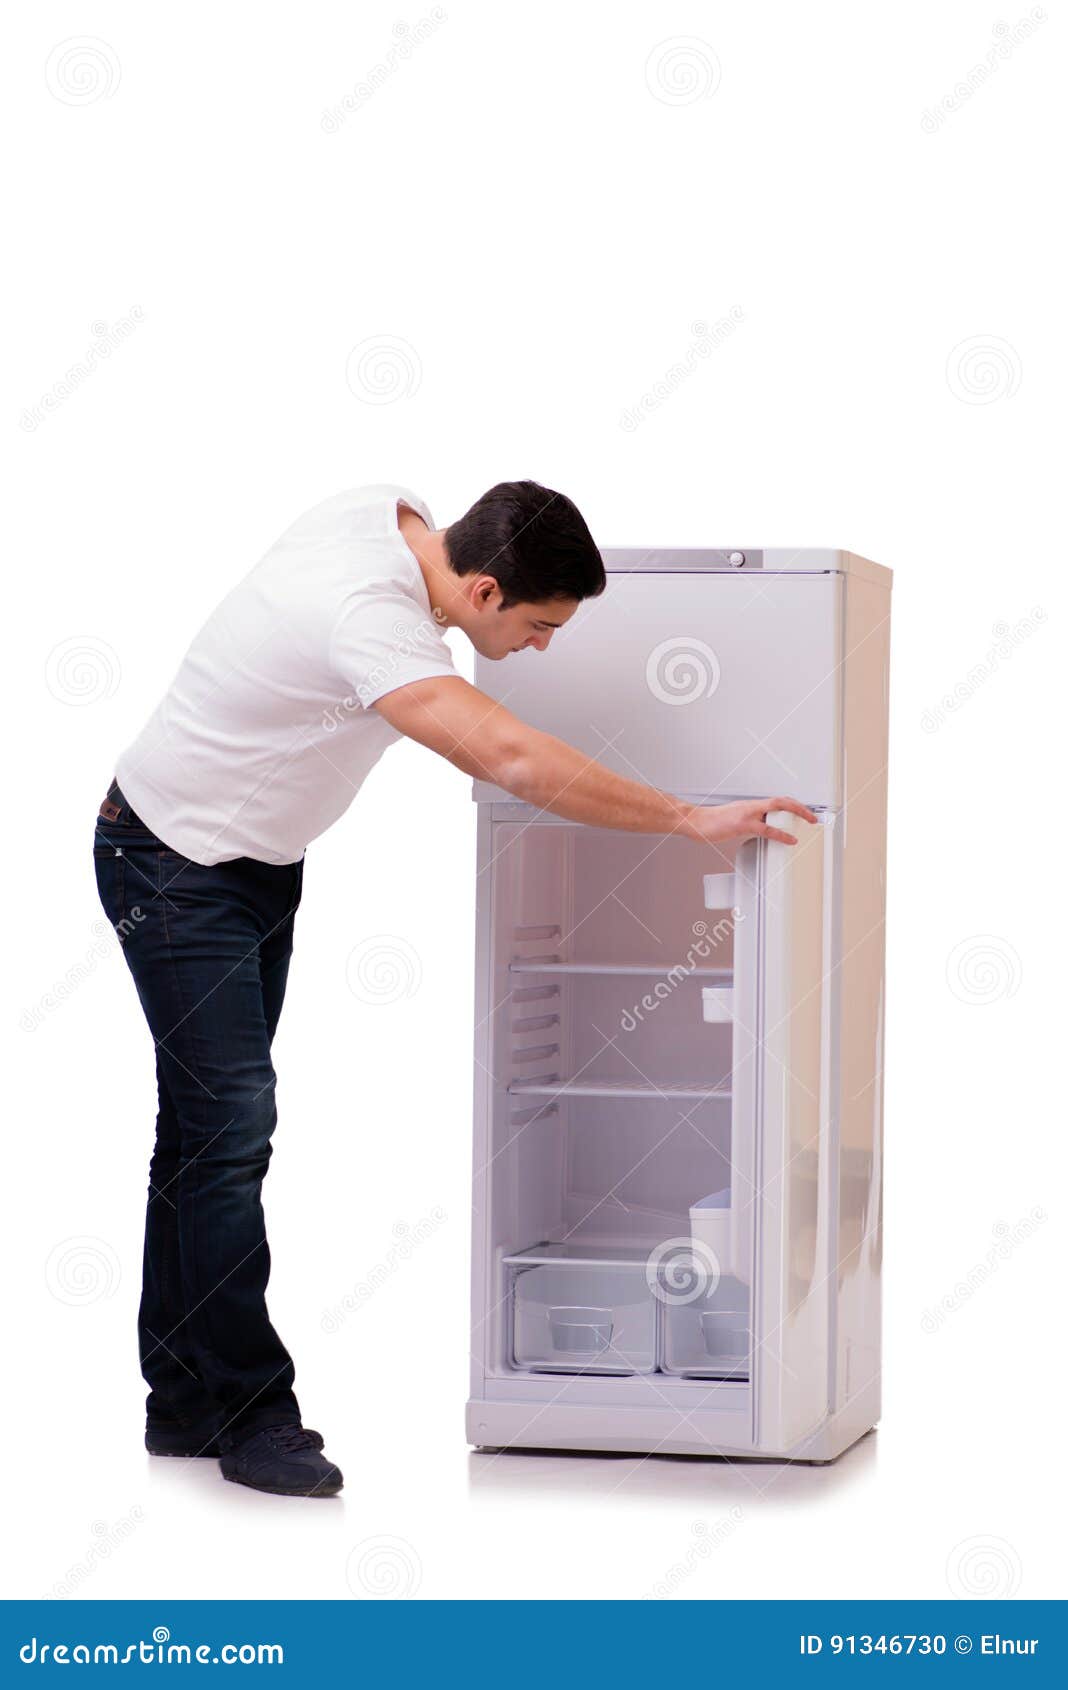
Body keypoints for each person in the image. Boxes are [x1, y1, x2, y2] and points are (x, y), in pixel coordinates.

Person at [93, 480, 816, 1497]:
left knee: (203, 1133)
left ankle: (181, 1401)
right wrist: (689, 818)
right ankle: (252, 1414)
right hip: (173, 863)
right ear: (482, 592)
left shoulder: (390, 516)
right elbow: (511, 757)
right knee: (231, 1128)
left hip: (251, 863)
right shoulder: (372, 620)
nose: (544, 647)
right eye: (540, 624)